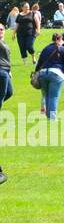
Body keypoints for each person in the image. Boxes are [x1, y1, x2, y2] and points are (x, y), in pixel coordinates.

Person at [34, 32, 64, 120]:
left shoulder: (45, 49)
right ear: (59, 39)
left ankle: (48, 117)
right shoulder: (62, 49)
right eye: (62, 39)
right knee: (53, 96)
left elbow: (39, 63)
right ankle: (52, 118)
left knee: (47, 95)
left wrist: (36, 73)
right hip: (56, 74)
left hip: (43, 74)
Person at [0, 24, 10, 183]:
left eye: (2, 29)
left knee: (10, 92)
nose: (0, 31)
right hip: (1, 73)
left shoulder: (4, 43)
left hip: (5, 73)